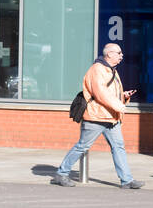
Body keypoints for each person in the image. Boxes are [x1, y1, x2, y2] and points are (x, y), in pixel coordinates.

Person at [52, 43, 144, 189]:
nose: (122, 55)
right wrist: (119, 106)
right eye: (119, 53)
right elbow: (101, 94)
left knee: (118, 147)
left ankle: (126, 180)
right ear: (109, 54)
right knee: (82, 146)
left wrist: (123, 96)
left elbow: (111, 93)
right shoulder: (97, 69)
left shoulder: (111, 70)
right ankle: (61, 173)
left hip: (111, 117)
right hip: (97, 117)